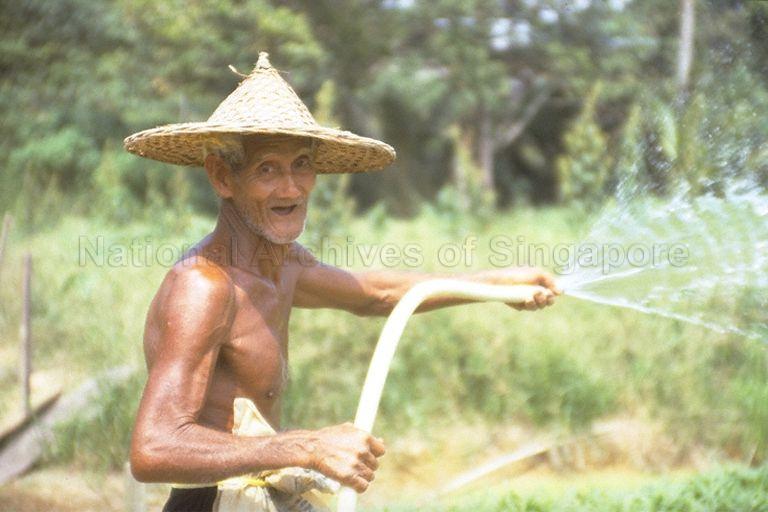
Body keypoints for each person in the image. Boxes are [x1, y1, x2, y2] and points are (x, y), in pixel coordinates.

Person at [124, 53, 560, 512]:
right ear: (221, 177)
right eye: (267, 169)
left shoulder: (284, 265)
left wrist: (493, 284)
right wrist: (307, 447)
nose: (291, 189)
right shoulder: (204, 287)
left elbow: (377, 294)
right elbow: (153, 449)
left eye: (301, 165)